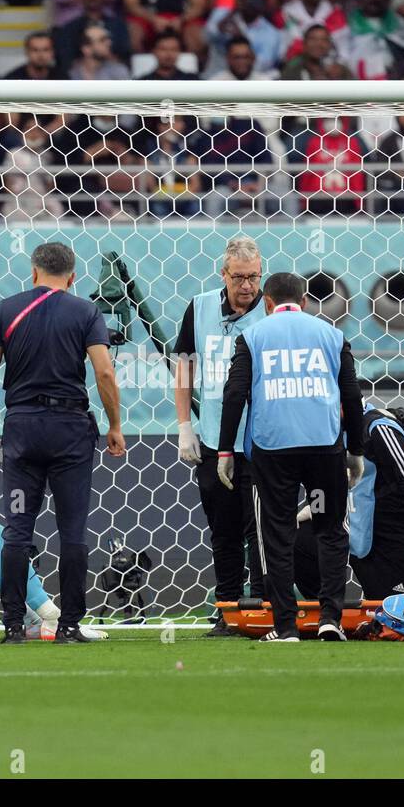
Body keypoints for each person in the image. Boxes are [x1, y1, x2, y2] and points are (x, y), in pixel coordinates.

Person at [0, 242, 126, 644]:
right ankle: (70, 625)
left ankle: (11, 626)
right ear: (73, 277)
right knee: (72, 530)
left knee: (17, 530)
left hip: (22, 431)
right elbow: (104, 373)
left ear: (33, 271)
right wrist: (115, 426)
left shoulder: (7, 309)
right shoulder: (85, 311)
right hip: (69, 431)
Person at [217, 272, 364, 642]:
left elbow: (234, 395)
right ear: (305, 303)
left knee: (277, 535)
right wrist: (356, 451)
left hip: (273, 450)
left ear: (267, 303)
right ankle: (331, 617)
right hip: (324, 448)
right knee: (331, 530)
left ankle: (285, 626)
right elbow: (352, 397)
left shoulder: (252, 337)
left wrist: (224, 450)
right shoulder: (332, 336)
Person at [174, 235, 267, 635]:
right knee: (223, 530)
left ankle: (264, 606)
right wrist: (183, 426)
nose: (248, 286)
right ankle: (228, 611)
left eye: (254, 277)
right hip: (213, 437)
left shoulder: (273, 309)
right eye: (240, 278)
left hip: (263, 439)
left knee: (262, 530)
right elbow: (183, 366)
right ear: (223, 274)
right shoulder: (199, 308)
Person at [295, 383, 404, 600]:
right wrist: (316, 508)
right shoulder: (329, 431)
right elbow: (321, 478)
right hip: (350, 526)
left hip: (389, 538)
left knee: (389, 617)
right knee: (297, 541)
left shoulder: (378, 428)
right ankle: (326, 612)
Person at [121, 0, 208, 56]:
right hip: (145, 16)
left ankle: (194, 67)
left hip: (183, 16)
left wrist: (181, 19)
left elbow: (198, 5)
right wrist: (153, 19)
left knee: (196, 36)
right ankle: (136, 66)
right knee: (132, 34)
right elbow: (131, 3)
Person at [204, 0, 282, 74]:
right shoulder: (222, 13)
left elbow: (262, 66)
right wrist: (233, 11)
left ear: (264, 3)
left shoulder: (271, 33)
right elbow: (208, 36)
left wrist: (241, 38)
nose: (251, 2)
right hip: (217, 76)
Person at [55, 0, 131, 72]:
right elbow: (66, 63)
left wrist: (105, 55)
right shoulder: (69, 29)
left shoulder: (119, 26)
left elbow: (126, 60)